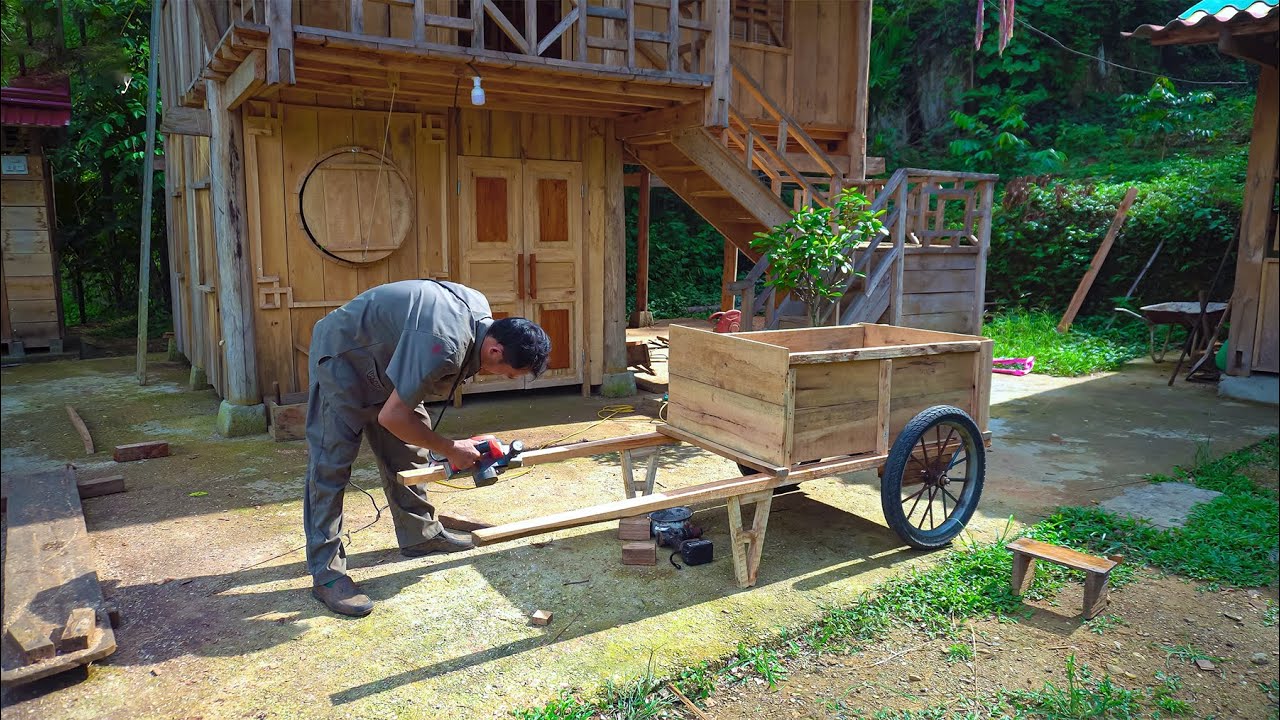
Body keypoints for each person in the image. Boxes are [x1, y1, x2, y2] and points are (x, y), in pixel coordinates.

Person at [303, 279, 551, 617]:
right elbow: (393, 416)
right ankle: (327, 574)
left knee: (409, 452)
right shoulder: (445, 344)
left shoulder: (480, 315)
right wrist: (449, 447)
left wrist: (444, 445)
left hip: (387, 360)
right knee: (330, 467)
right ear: (495, 350)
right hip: (343, 356)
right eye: (507, 374)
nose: (502, 379)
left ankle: (419, 534)